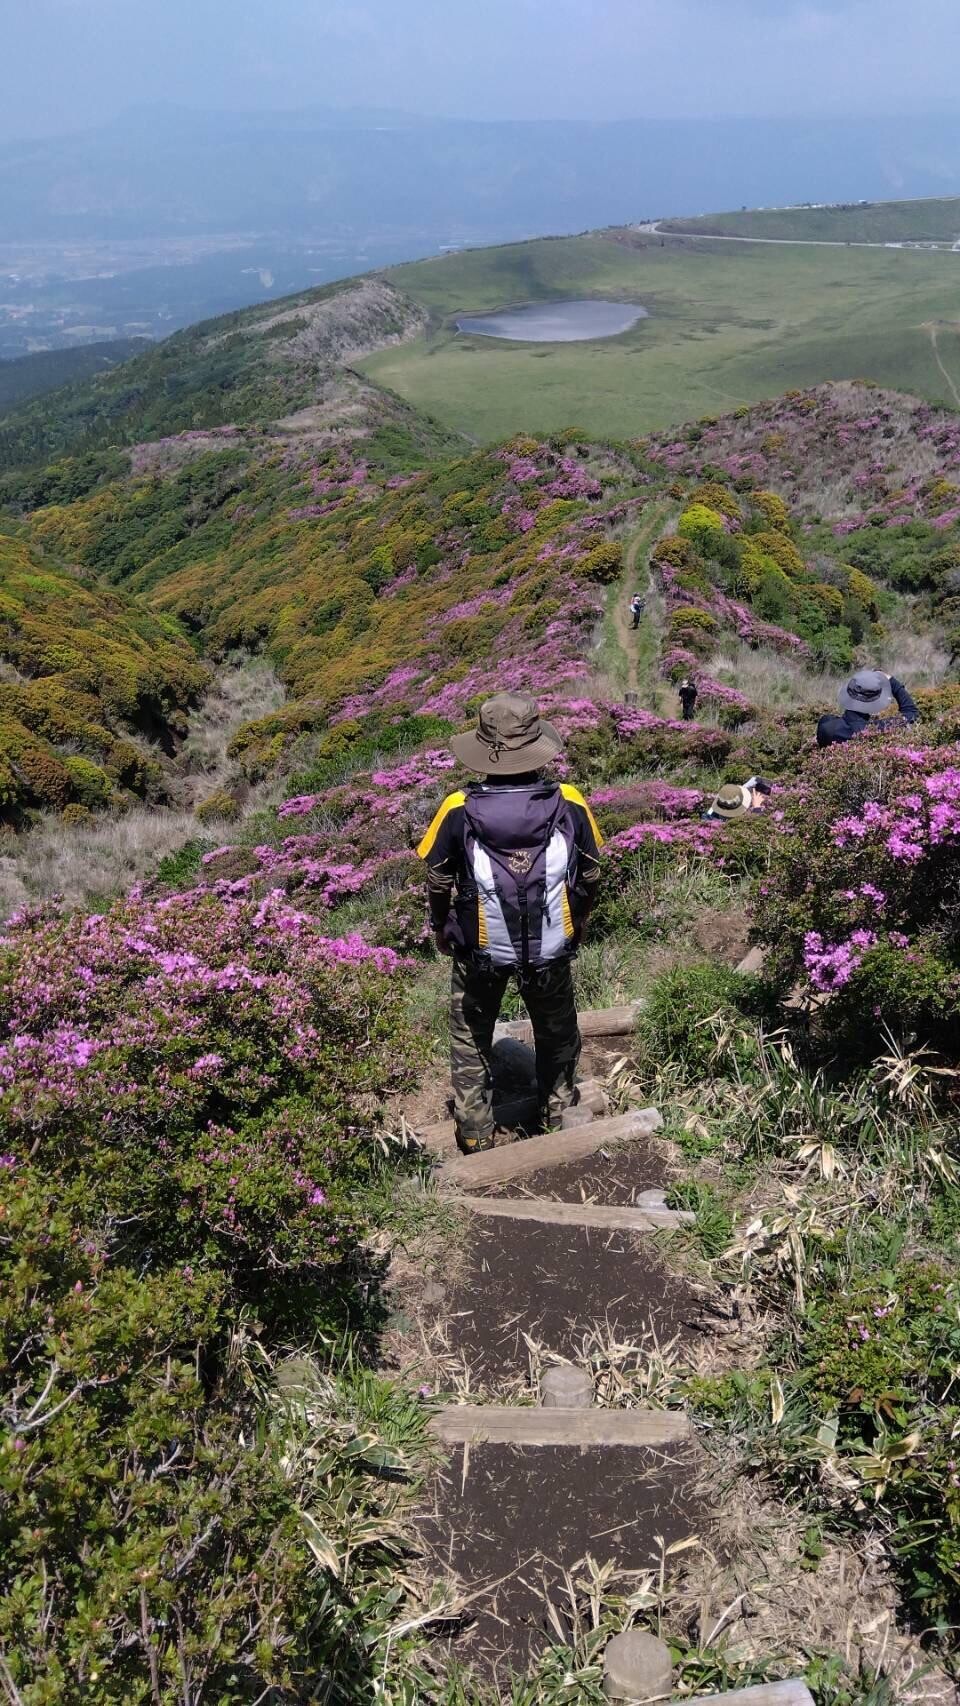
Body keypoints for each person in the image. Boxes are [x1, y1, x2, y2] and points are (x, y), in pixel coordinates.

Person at [416, 691, 603, 1156]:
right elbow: (592, 874)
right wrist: (576, 922)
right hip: (550, 948)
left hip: (479, 950)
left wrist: (442, 928)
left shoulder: (458, 807)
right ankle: (560, 1113)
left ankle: (476, 1132)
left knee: (470, 1034)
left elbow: (437, 880)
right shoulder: (569, 801)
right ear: (536, 744)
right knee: (557, 1029)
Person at [816, 669, 918, 748]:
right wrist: (891, 680)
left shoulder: (826, 726)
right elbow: (911, 712)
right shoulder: (880, 729)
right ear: (874, 703)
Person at [703, 777, 772, 820]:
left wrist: (741, 789)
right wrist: (757, 808)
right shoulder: (731, 828)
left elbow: (728, 800)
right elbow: (757, 826)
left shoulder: (708, 816)